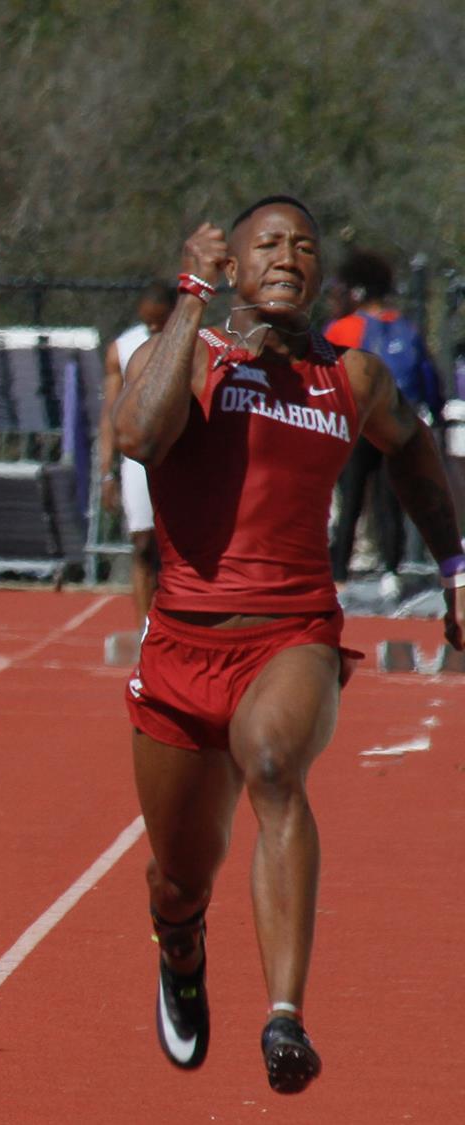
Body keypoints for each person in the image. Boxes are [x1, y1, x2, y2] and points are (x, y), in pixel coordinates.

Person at [113, 196, 464, 1095]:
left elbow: (416, 453)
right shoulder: (191, 358)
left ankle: (284, 1017)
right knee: (178, 877)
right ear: (231, 262)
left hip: (293, 629)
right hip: (184, 646)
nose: (289, 257)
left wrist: (455, 565)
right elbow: (137, 435)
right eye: (268, 243)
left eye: (304, 246)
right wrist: (191, 297)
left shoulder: (350, 379)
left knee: (273, 765)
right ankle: (182, 945)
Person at [322, 249, 446, 602]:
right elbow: (429, 379)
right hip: (399, 423)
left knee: (351, 499)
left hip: (357, 424)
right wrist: (433, 414)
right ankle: (392, 572)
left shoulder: (344, 328)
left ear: (356, 291)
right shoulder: (406, 327)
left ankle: (340, 575)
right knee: (389, 500)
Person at [95, 281, 177, 623]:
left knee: (176, 549)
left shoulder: (199, 344)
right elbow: (110, 414)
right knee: (143, 544)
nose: (155, 330)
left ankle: (178, 622)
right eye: (149, 323)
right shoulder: (124, 348)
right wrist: (106, 471)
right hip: (139, 458)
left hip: (180, 456)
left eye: (162, 322)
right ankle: (146, 628)